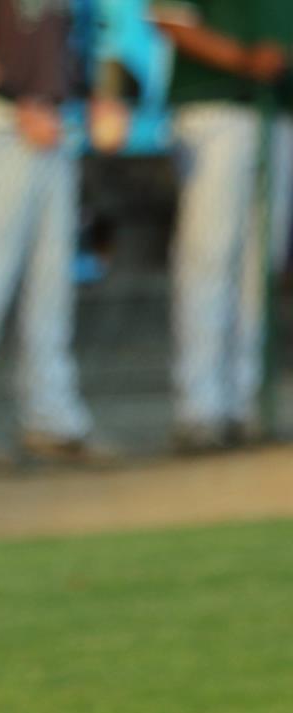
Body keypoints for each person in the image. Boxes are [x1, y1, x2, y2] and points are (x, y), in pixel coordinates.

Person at [0, 0, 124, 470]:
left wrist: (96, 98)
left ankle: (53, 418)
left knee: (51, 286)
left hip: (56, 124)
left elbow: (74, 48)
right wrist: (19, 103)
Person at [151, 0, 292, 452]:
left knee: (261, 266)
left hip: (280, 113)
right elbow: (168, 16)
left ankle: (248, 403)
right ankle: (199, 408)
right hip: (215, 108)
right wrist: (241, 59)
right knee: (208, 258)